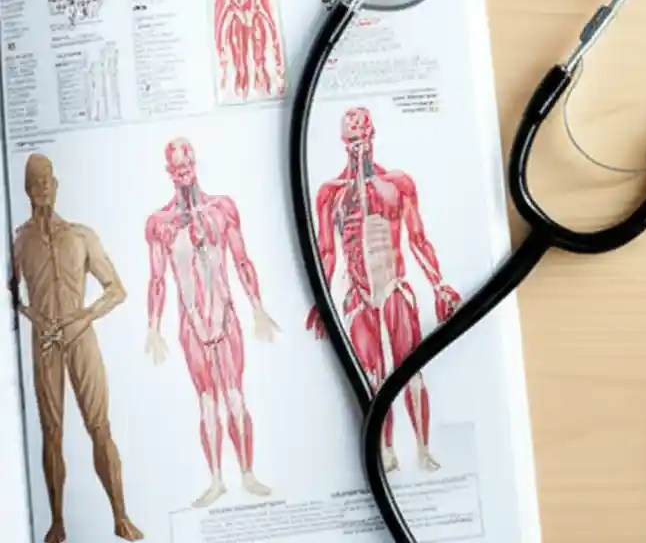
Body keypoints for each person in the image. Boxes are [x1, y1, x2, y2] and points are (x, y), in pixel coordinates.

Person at [307, 106, 461, 472]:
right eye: (351, 142)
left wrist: (439, 285)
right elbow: (327, 252)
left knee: (412, 370)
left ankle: (423, 449)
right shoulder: (331, 194)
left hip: (393, 287)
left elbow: (418, 239)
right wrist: (321, 301)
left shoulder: (398, 184)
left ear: (372, 136)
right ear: (343, 143)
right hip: (358, 293)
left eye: (362, 140)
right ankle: (387, 451)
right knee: (372, 376)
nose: (357, 148)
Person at [12, 153, 143, 542]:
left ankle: (121, 517)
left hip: (81, 337)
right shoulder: (19, 241)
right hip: (45, 344)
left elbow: (116, 290)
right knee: (51, 431)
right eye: (36, 181)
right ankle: (56, 523)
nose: (44, 187)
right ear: (27, 189)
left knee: (99, 427)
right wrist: (33, 316)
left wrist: (83, 316)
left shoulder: (81, 236)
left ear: (57, 183)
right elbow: (11, 295)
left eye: (49, 179)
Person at [144, 137, 279, 507]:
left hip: (225, 315)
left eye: (187, 162)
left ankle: (247, 473)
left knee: (235, 396)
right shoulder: (160, 224)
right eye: (176, 165)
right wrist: (153, 328)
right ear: (169, 171)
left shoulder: (222, 209)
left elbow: (242, 260)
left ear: (194, 163)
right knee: (207, 401)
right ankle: (218, 479)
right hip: (191, 323)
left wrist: (257, 308)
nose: (183, 170)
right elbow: (157, 279)